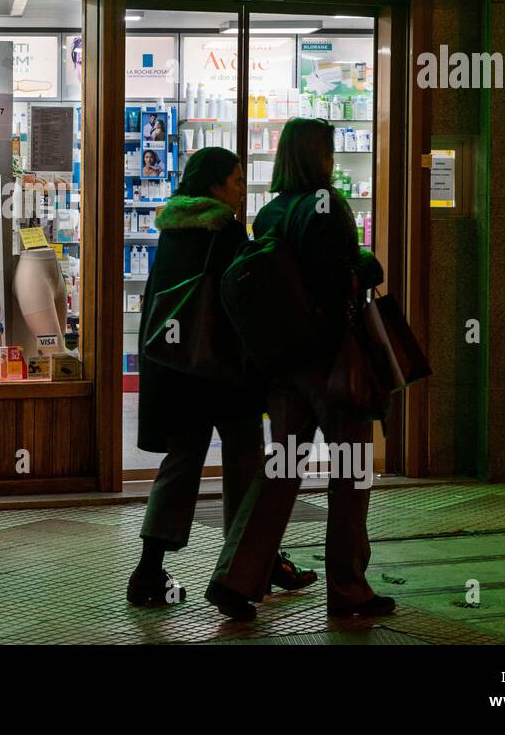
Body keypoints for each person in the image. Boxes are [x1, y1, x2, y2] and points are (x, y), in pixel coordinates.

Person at [204, 118, 392, 622]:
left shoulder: (269, 213)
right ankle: (349, 589)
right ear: (319, 157)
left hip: (283, 365)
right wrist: (368, 268)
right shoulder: (328, 208)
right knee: (351, 473)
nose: (333, 161)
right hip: (333, 363)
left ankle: (237, 576)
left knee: (280, 471)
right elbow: (340, 283)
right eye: (329, 152)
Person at [129, 147, 316, 607]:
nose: (240, 189)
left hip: (181, 374)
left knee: (180, 466)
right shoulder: (226, 234)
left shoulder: (173, 233)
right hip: (226, 374)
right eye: (235, 180)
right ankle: (249, 567)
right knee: (245, 469)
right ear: (215, 187)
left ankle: (149, 569)